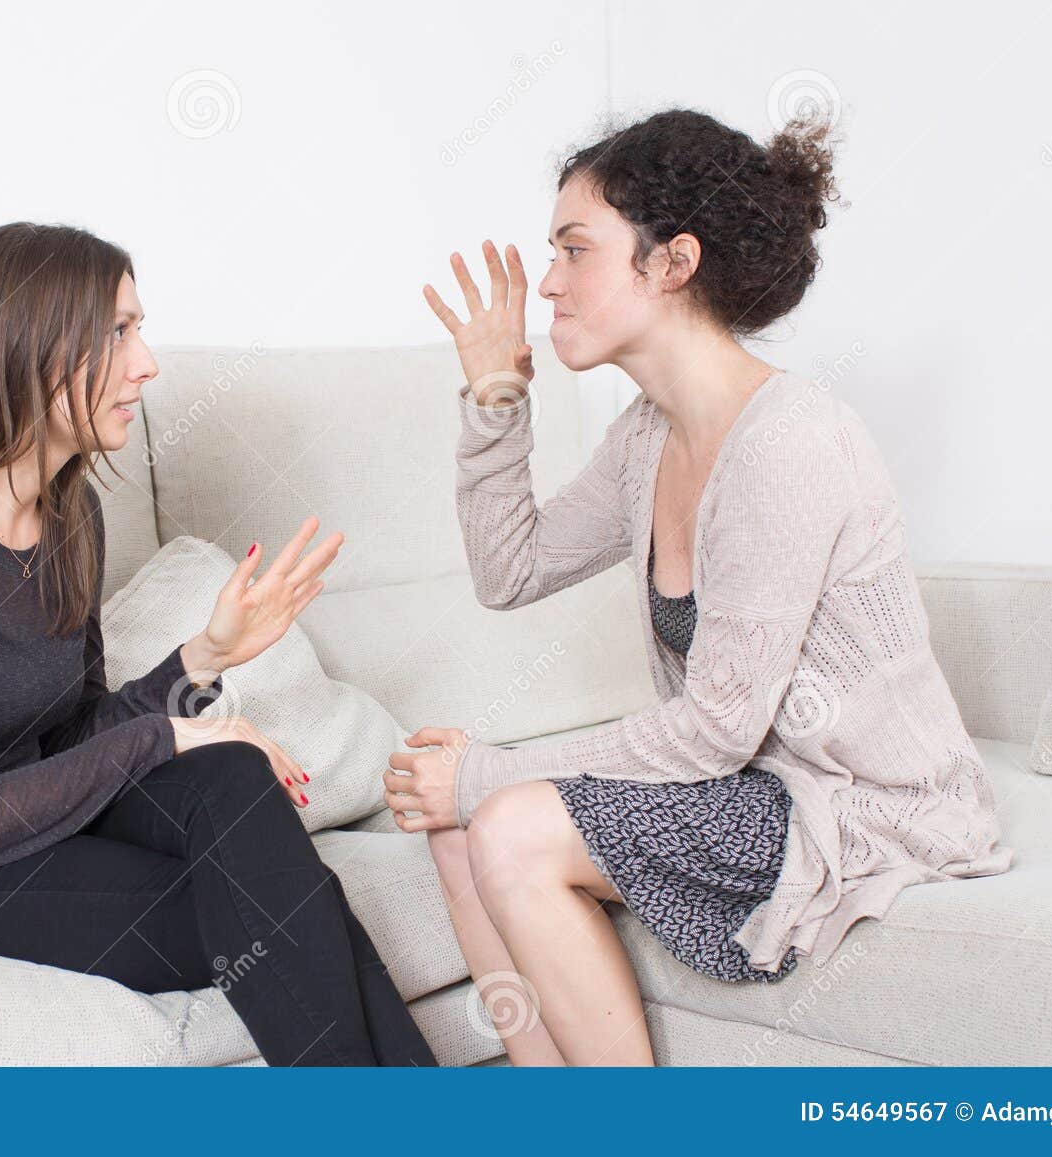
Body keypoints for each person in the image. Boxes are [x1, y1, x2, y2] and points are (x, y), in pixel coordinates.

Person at [397, 108, 1012, 1066]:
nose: (548, 282)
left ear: (673, 262)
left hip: (855, 800)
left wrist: (486, 770)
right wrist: (496, 398)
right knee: (457, 827)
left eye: (574, 250)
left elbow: (719, 726)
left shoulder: (788, 442)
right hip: (746, 785)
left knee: (504, 817)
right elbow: (509, 568)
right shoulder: (648, 434)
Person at [0, 221, 436, 1067]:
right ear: (32, 351)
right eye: (118, 333)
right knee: (264, 905)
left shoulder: (70, 513)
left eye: (139, 329)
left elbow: (72, 739)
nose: (147, 363)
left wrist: (205, 657)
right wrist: (167, 731)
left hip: (20, 821)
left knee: (235, 789)